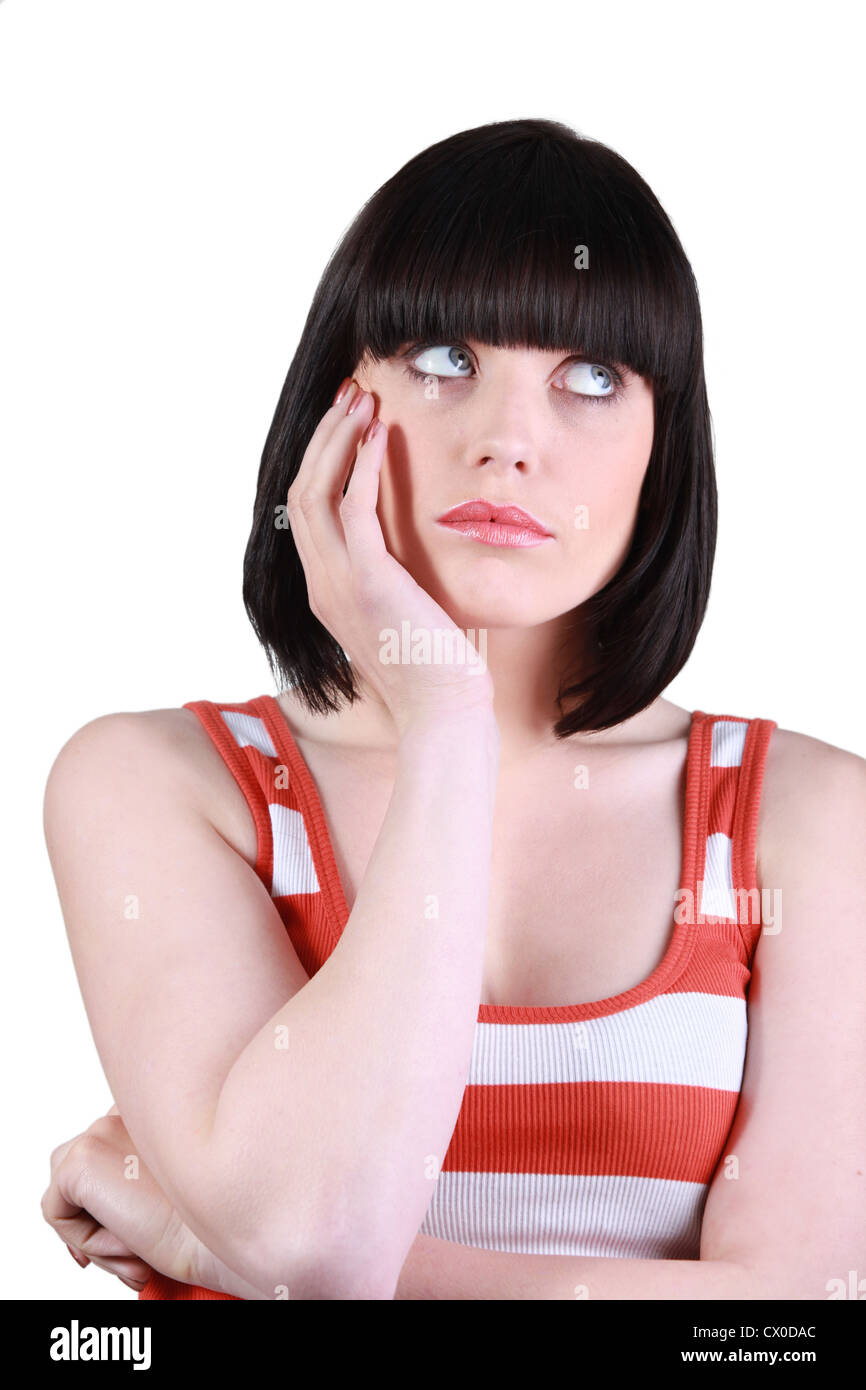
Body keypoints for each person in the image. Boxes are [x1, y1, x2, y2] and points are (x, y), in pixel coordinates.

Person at [41, 118, 865, 1301]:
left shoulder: (805, 814)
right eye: (441, 356)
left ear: (662, 447)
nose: (508, 442)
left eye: (590, 376)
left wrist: (208, 1243)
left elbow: (791, 1327)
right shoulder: (160, 783)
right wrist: (442, 717)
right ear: (342, 401)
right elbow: (312, 1222)